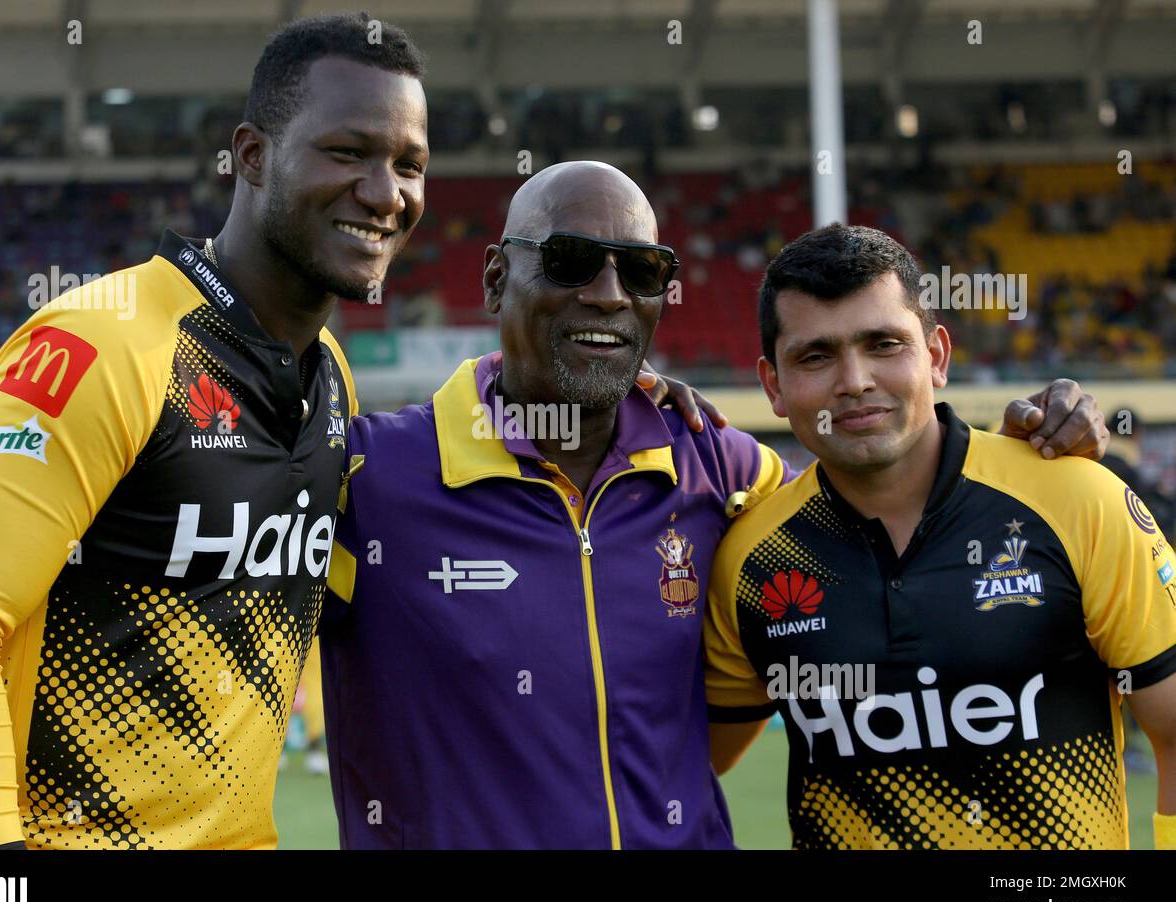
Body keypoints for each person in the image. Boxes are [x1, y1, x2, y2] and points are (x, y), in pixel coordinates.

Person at [321, 166, 1112, 848]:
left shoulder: (725, 471)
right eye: (569, 263)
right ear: (496, 277)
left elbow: (892, 495)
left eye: (639, 271)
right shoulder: (368, 477)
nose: (607, 296)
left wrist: (1029, 450)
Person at [0, 12, 427, 850]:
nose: (384, 191)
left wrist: (618, 397)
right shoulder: (99, 343)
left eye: (409, 164)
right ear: (251, 156)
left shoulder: (328, 372)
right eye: (347, 151)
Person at [705, 223, 1176, 849]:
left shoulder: (1076, 500)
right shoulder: (750, 557)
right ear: (773, 386)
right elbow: (686, 761)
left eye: (884, 344)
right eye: (816, 356)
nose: (855, 380)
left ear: (937, 356)